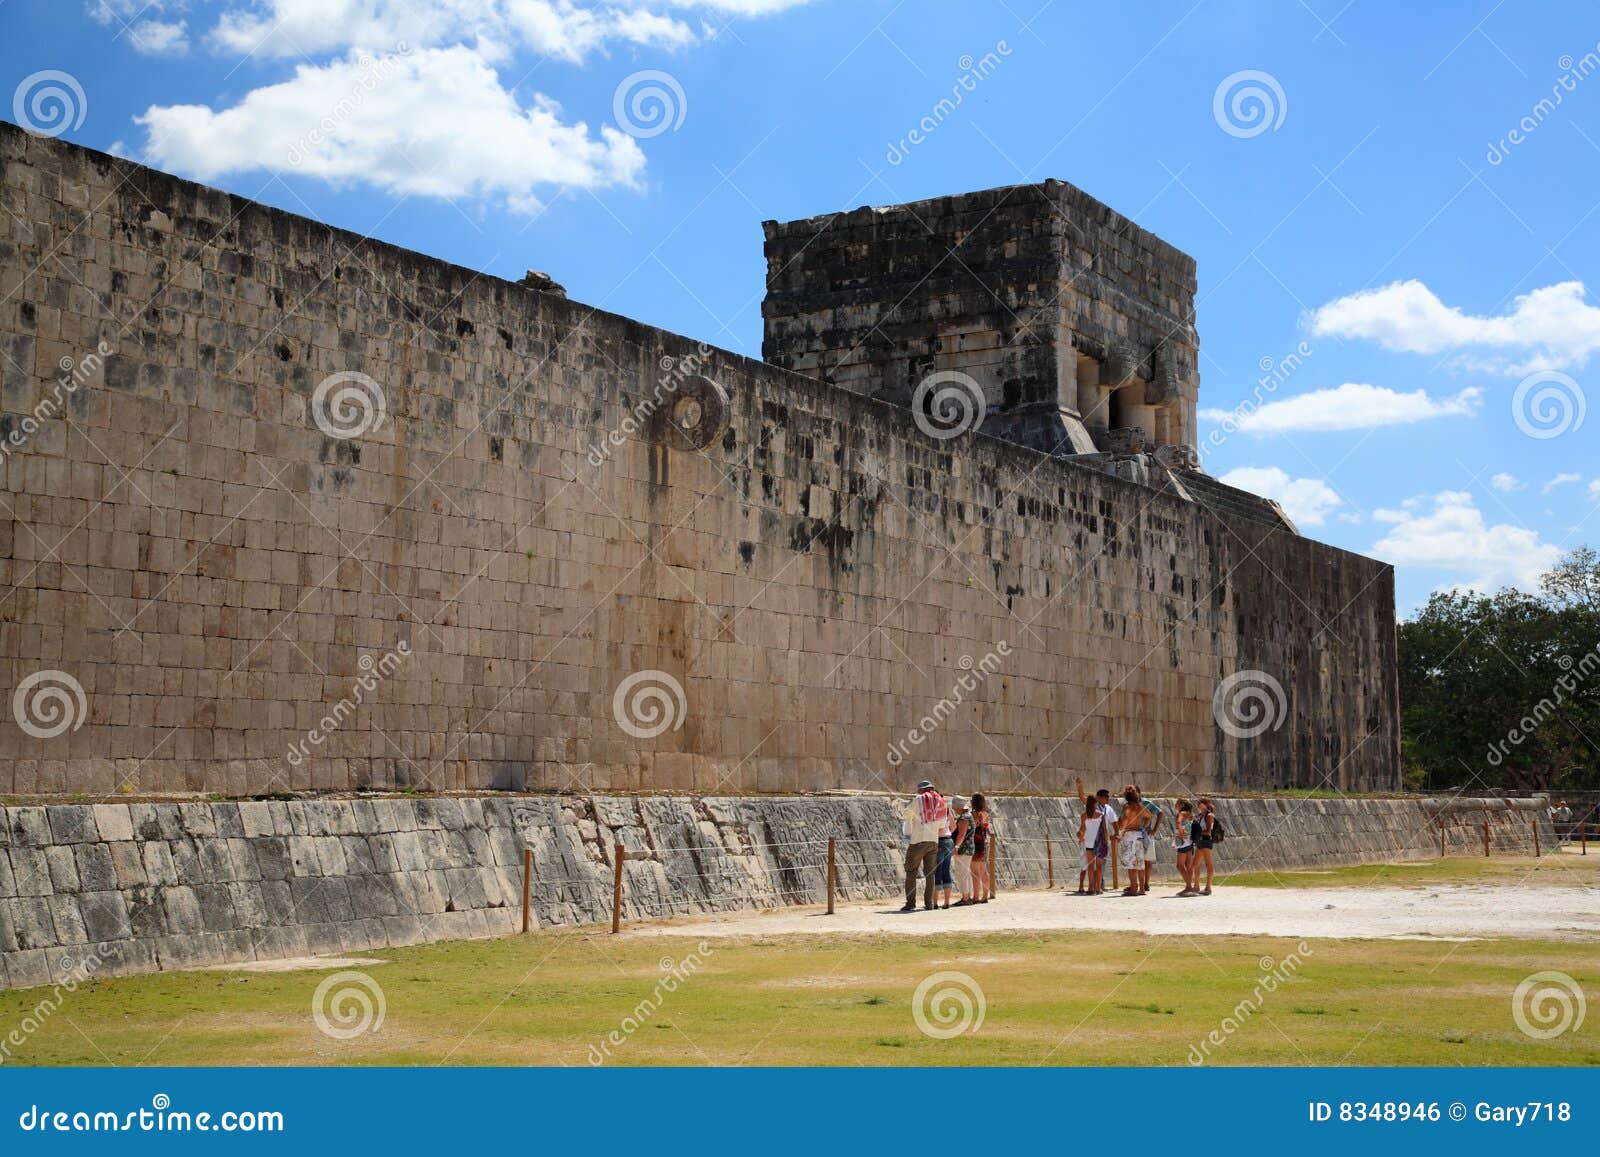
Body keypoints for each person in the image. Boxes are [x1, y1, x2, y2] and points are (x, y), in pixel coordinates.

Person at [900, 779, 947, 912]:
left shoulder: (919, 799)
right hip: (933, 841)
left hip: (918, 840)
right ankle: (929, 903)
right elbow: (942, 825)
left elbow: (906, 814)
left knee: (911, 872)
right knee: (930, 874)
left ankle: (910, 903)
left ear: (921, 790)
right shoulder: (941, 801)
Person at [1115, 787, 1151, 896]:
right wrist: (1143, 825)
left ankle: (1133, 888)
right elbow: (1149, 816)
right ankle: (1142, 889)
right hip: (1138, 834)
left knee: (1131, 863)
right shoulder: (1140, 806)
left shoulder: (1127, 806)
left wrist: (1121, 829)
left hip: (1129, 835)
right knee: (1140, 863)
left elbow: (1125, 819)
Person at [1134, 786, 1163, 893]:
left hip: (1146, 833)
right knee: (1136, 860)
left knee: (1148, 859)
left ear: (1139, 793)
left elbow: (1160, 812)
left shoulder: (1147, 803)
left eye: (1134, 792)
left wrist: (1155, 829)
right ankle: (1137, 883)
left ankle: (1146, 883)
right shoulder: (1130, 804)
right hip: (1135, 834)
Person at [949, 796, 976, 905]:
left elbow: (961, 834)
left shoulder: (964, 818)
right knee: (965, 872)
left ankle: (965, 897)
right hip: (968, 848)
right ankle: (967, 896)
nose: (955, 809)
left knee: (961, 873)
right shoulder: (968, 816)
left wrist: (956, 847)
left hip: (963, 849)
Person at [1078, 797, 1108, 894]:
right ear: (1095, 804)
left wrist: (1080, 837)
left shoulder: (1084, 816)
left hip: (1088, 842)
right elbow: (1105, 829)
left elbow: (1082, 830)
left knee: (1090, 866)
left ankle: (1091, 888)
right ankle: (1098, 888)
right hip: (1099, 842)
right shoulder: (1101, 815)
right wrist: (1106, 841)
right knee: (1099, 866)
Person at [969, 792, 993, 903]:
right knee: (983, 871)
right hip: (984, 842)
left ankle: (976, 897)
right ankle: (985, 895)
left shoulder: (974, 814)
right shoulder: (985, 814)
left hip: (975, 842)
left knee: (975, 871)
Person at [934, 799, 956, 909]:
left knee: (937, 871)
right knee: (946, 870)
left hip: (939, 841)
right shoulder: (947, 810)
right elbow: (953, 826)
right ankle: (947, 902)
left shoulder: (935, 811)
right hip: (949, 841)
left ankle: (934, 903)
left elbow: (938, 829)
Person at [1192, 798, 1216, 895]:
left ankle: (1208, 887)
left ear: (1206, 804)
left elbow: (1208, 831)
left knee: (1208, 864)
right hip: (1200, 841)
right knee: (1195, 864)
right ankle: (1196, 885)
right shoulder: (1200, 816)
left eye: (1200, 804)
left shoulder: (1209, 815)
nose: (1198, 805)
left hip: (1206, 840)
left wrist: (1197, 833)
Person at [1172, 799, 1196, 896]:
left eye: (1177, 803)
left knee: (1180, 865)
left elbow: (1178, 822)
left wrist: (1180, 832)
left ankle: (1189, 886)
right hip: (1189, 841)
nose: (1175, 804)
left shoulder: (1181, 813)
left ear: (1182, 804)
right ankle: (1188, 887)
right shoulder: (1190, 814)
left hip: (1183, 842)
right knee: (1188, 866)